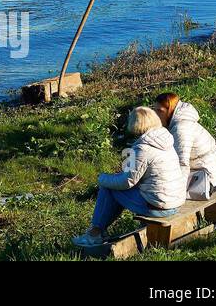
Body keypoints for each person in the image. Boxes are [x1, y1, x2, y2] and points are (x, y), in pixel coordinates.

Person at [72, 106, 187, 249]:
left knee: (108, 188)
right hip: (175, 201)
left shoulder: (142, 149)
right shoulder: (165, 141)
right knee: (114, 185)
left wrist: (102, 178)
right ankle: (98, 232)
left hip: (159, 206)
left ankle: (94, 234)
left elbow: (127, 181)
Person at [155, 92, 216, 200]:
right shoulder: (181, 123)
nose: (156, 115)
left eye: (160, 111)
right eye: (154, 110)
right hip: (213, 172)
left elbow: (182, 164)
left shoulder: (181, 129)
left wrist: (177, 194)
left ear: (170, 111)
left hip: (206, 180)